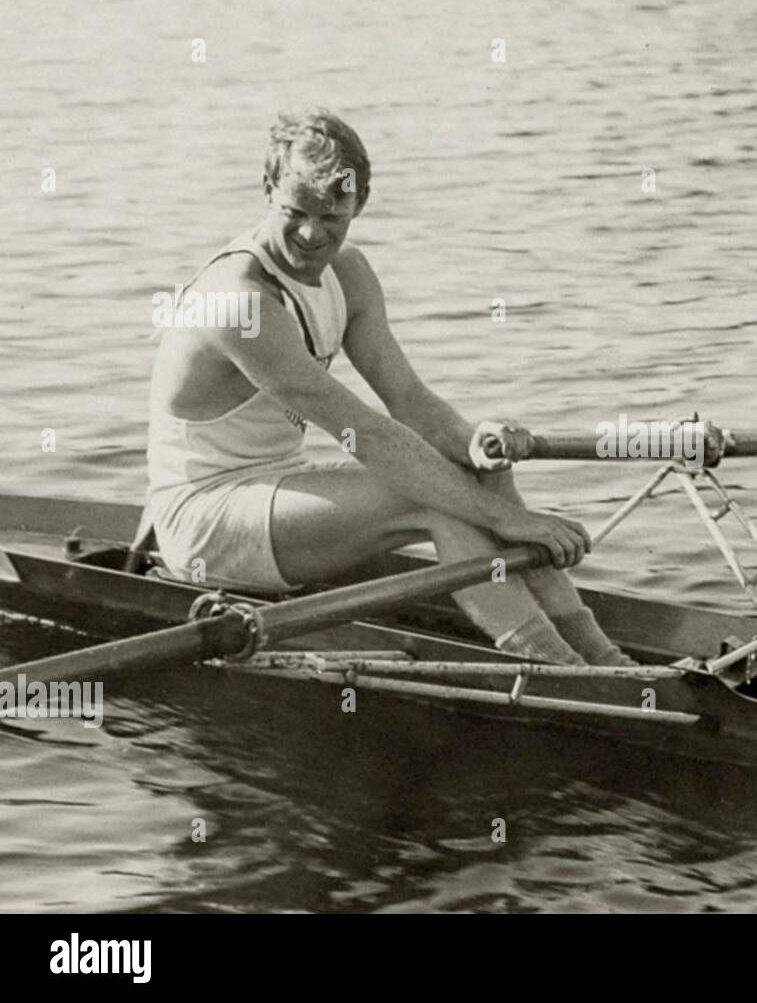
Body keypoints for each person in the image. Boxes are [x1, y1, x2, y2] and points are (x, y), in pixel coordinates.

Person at [146, 107, 633, 667]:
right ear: (266, 190)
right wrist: (509, 521)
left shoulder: (348, 273)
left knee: (477, 469)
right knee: (434, 499)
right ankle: (562, 667)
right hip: (205, 519)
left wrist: (477, 443)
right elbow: (363, 433)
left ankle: (605, 656)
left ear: (360, 204)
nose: (311, 233)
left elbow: (409, 400)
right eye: (294, 211)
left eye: (332, 216)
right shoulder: (242, 300)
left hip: (274, 488)